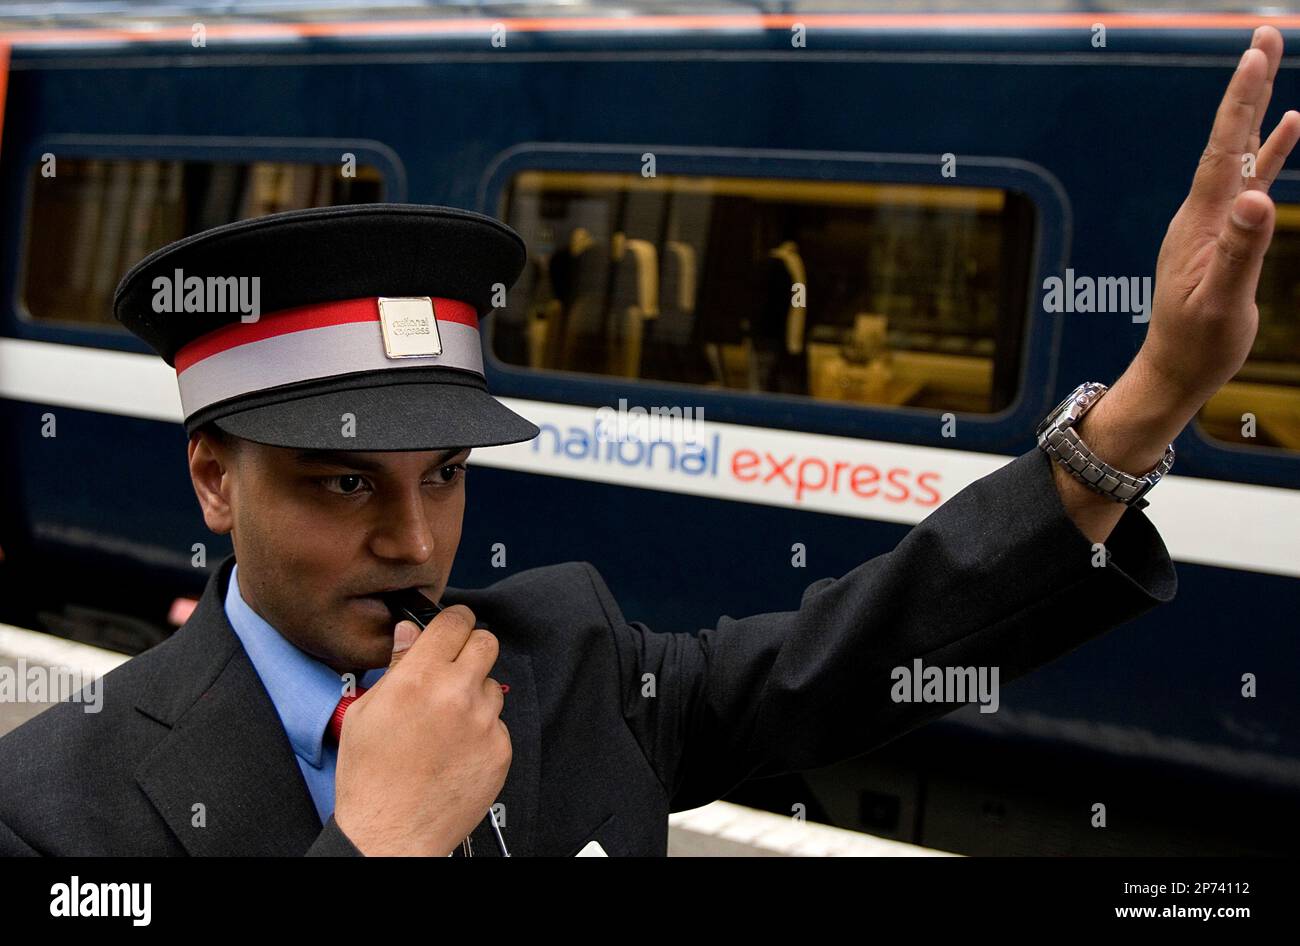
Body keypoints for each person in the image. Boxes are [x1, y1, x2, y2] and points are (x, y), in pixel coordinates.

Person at [0, 27, 1294, 857]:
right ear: (212, 476)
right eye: (342, 480)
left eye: (444, 474)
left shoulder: (569, 663)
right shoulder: (58, 804)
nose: (411, 539)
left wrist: (1156, 392)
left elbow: (868, 654)